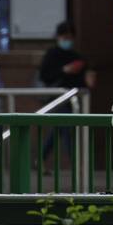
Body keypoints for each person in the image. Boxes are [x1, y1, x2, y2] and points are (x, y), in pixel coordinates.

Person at [38, 21, 85, 161]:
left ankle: (40, 159)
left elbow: (81, 79)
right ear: (58, 37)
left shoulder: (76, 56)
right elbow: (44, 76)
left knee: (58, 130)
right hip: (56, 98)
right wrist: (64, 70)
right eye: (65, 37)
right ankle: (75, 162)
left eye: (70, 38)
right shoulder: (52, 54)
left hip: (71, 98)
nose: (67, 41)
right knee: (66, 128)